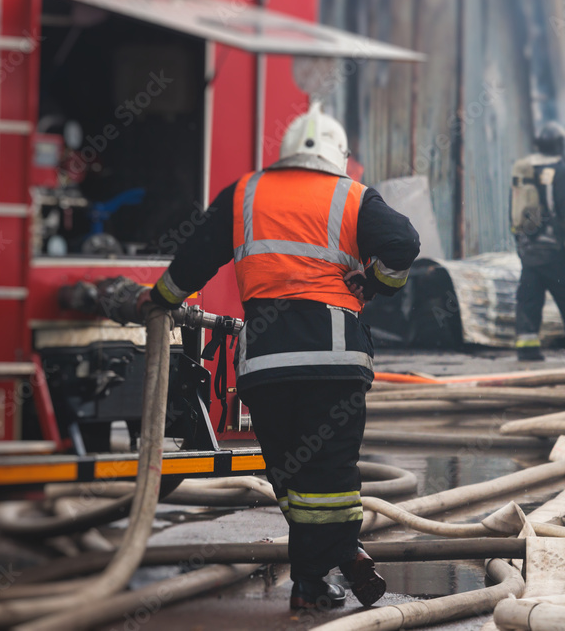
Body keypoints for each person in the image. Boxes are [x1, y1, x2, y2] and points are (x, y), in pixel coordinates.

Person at [146, 102, 420, 610]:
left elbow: (194, 259)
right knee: (331, 476)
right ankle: (330, 566)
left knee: (291, 475)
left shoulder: (245, 193)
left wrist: (159, 300)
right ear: (338, 155)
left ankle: (316, 579)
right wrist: (376, 282)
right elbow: (403, 242)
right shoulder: (353, 195)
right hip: (333, 358)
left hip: (265, 363)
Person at [511, 121, 565, 362]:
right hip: (554, 250)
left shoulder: (523, 168)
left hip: (529, 249)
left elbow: (514, 209)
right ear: (559, 144)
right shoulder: (561, 170)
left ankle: (527, 348)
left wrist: (521, 241)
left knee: (529, 298)